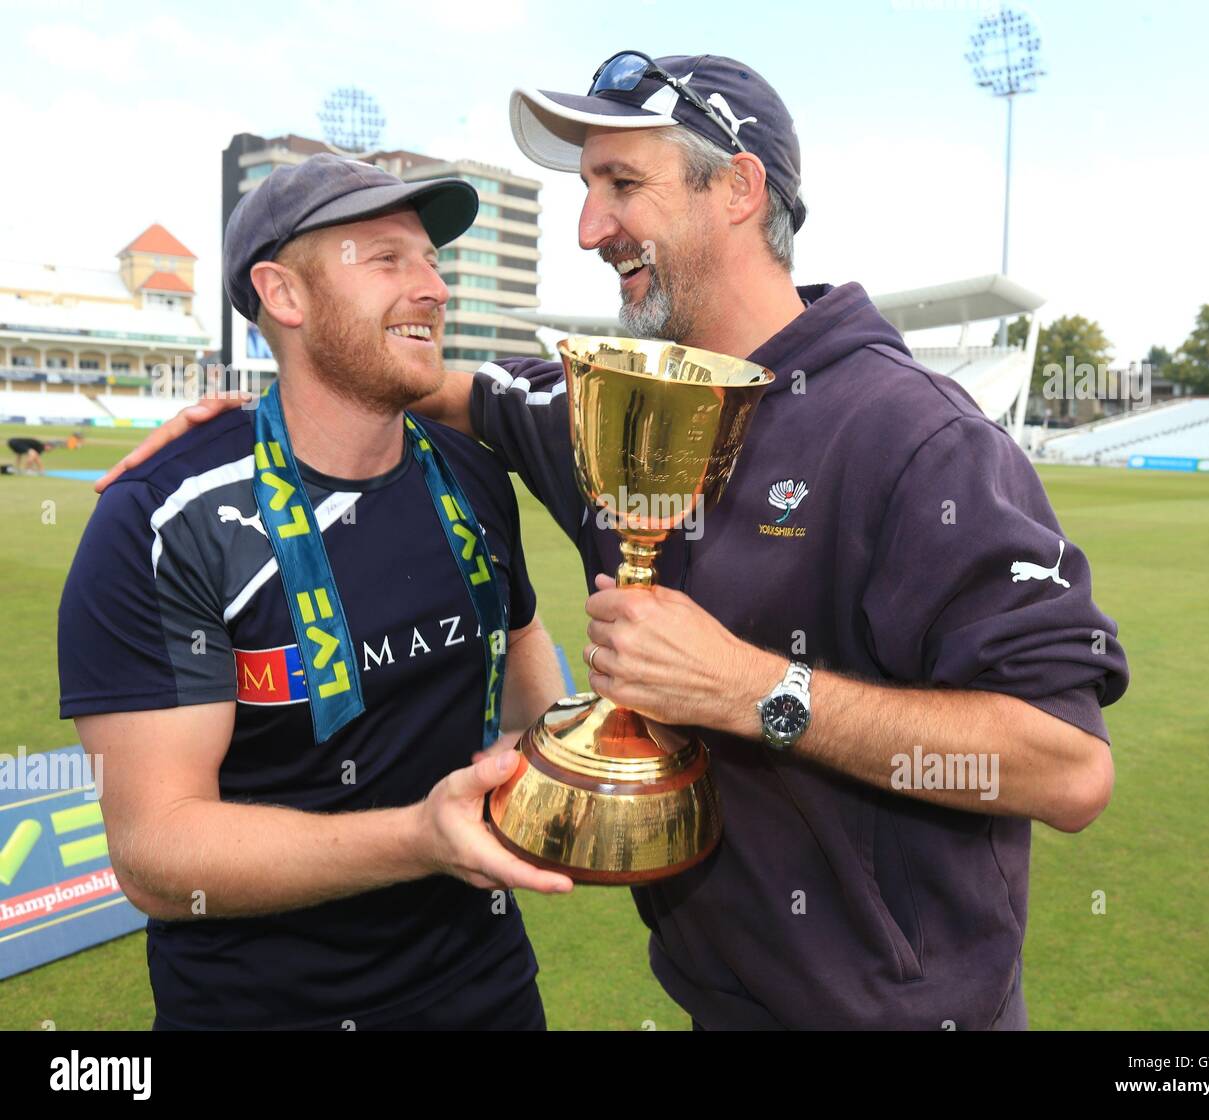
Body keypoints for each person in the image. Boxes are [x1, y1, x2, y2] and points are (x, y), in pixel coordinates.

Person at [101, 54, 1130, 1031]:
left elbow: (1066, 768)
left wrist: (756, 690)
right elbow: (421, 384)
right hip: (714, 1002)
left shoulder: (915, 437)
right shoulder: (608, 406)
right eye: (586, 190)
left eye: (620, 185)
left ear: (735, 187)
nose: (591, 226)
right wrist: (243, 421)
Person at [60, 153, 573, 1032]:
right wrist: (419, 838)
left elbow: (525, 666)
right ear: (283, 296)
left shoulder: (472, 478)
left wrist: (541, 766)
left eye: (433, 261)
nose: (434, 288)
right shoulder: (165, 520)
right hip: (263, 1012)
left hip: (488, 993)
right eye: (387, 259)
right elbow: (155, 853)